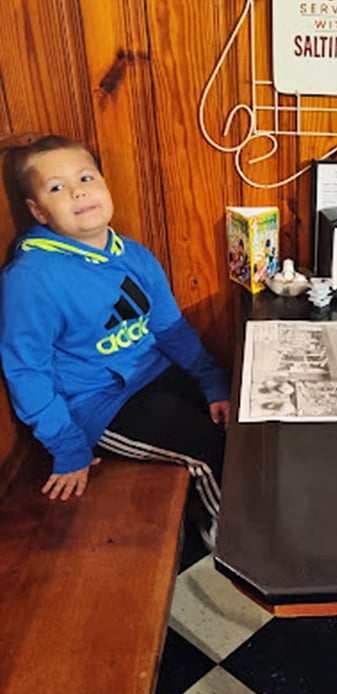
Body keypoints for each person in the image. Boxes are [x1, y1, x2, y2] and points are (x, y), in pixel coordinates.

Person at [0, 134, 230, 549]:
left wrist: (213, 383)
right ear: (38, 211)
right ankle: (237, 546)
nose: (77, 190)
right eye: (57, 187)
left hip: (158, 376)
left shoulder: (134, 255)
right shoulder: (31, 277)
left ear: (104, 186)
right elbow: (25, 371)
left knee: (245, 422)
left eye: (86, 177)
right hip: (102, 405)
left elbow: (171, 330)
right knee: (209, 448)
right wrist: (68, 446)